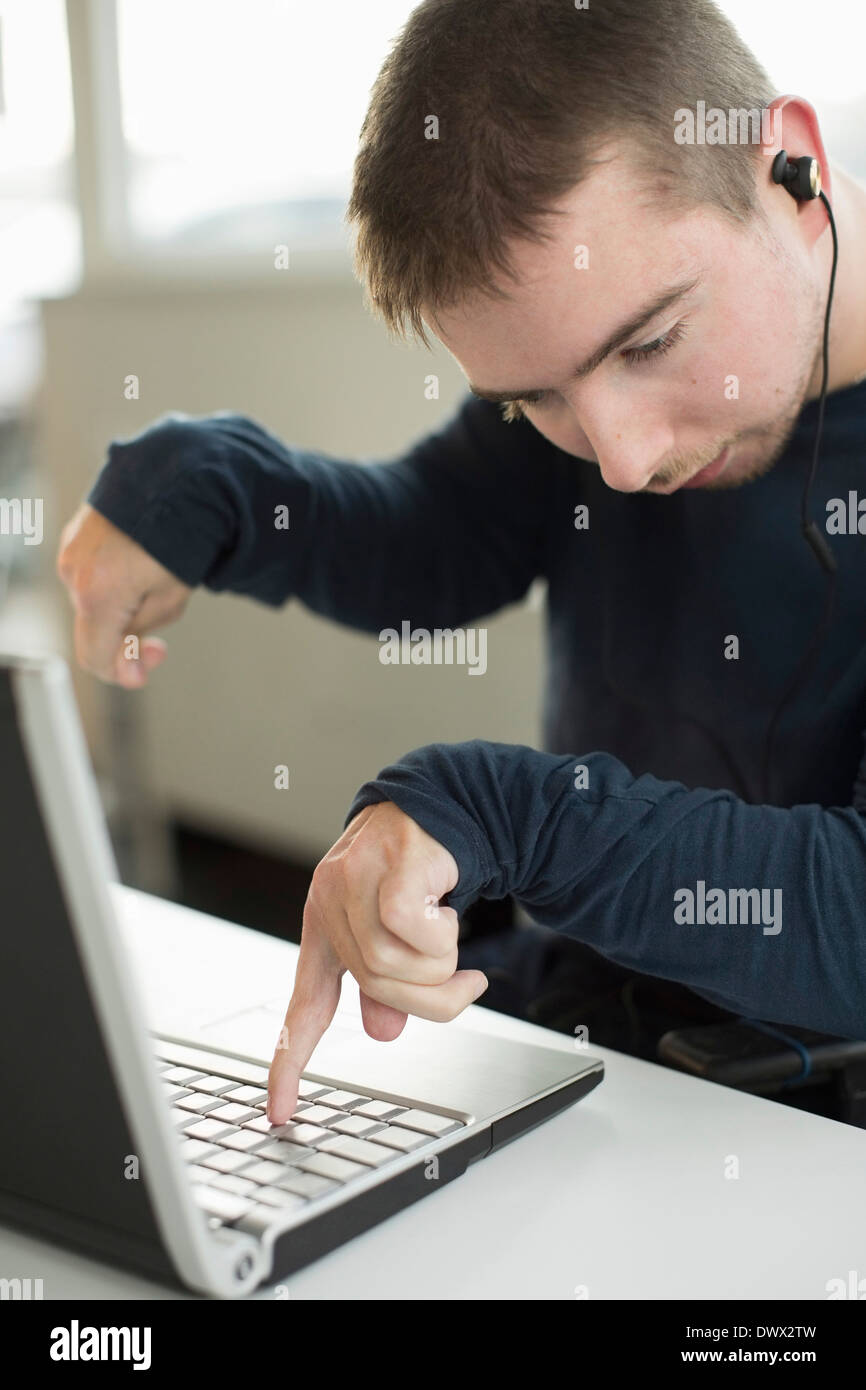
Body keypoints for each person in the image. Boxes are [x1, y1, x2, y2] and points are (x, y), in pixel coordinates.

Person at [55, 0, 866, 1126]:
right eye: (533, 398)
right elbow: (435, 539)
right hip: (594, 1037)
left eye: (649, 343)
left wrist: (507, 813)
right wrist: (216, 488)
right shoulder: (589, 381)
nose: (618, 461)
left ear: (791, 164)